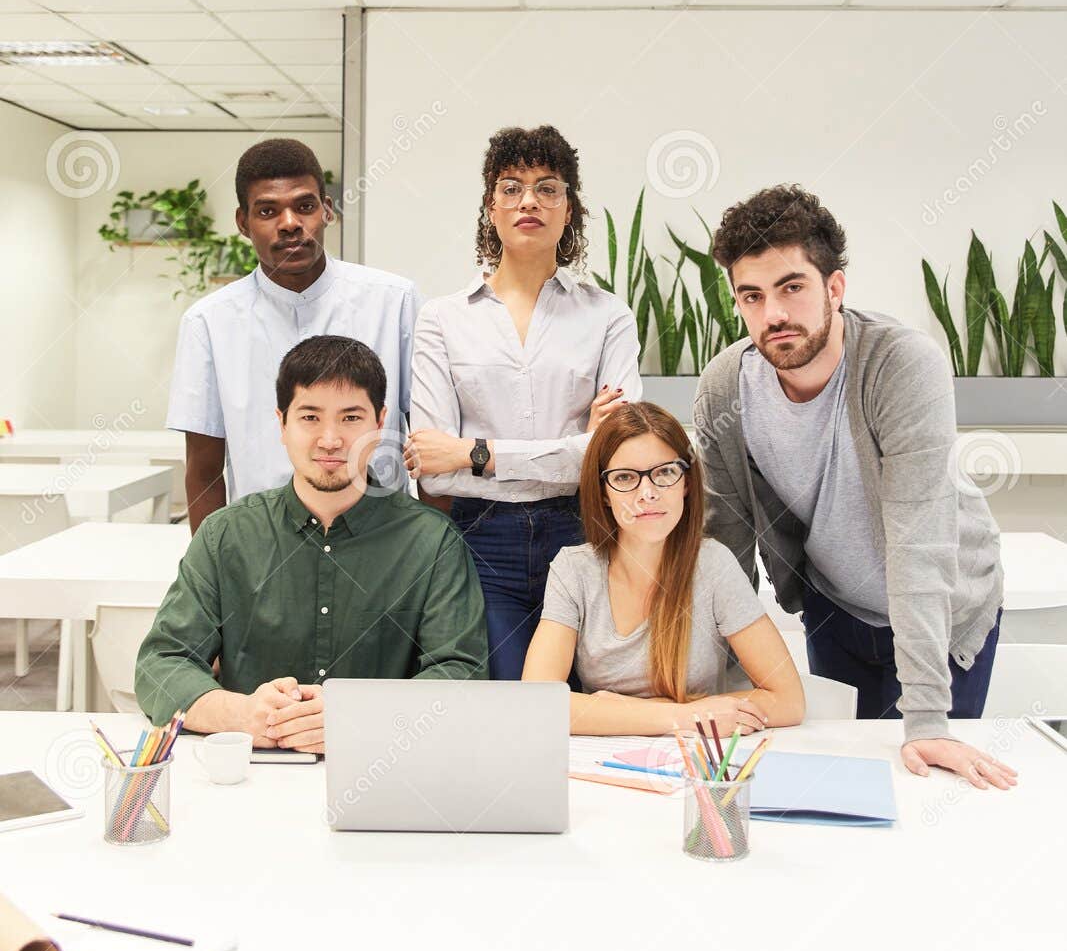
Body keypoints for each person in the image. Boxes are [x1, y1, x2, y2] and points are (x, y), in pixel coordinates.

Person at [693, 183, 1016, 791]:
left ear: (834, 288)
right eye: (752, 296)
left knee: (930, 781)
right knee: (845, 784)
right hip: (834, 608)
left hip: (942, 612)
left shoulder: (900, 365)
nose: (773, 316)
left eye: (792, 287)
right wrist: (730, 694)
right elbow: (725, 552)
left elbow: (920, 546)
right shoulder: (724, 389)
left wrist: (925, 720)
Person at [136, 336, 488, 751]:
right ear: (281, 424)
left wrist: (357, 716)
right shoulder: (224, 535)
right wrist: (241, 713)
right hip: (250, 775)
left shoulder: (433, 542)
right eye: (310, 417)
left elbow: (461, 673)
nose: (330, 439)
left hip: (383, 771)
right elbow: (161, 663)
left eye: (351, 418)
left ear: (380, 423)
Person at [404, 124, 641, 679]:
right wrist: (577, 443)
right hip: (480, 543)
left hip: (583, 534)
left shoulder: (608, 317)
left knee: (586, 707)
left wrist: (474, 453)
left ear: (569, 209)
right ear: (491, 207)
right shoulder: (443, 319)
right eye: (511, 187)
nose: (528, 200)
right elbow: (435, 474)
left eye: (547, 187)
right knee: (508, 708)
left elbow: (618, 460)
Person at [168, 137, 418, 532]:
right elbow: (203, 470)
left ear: (327, 210)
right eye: (268, 210)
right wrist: (212, 571)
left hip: (383, 539)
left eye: (305, 206)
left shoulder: (394, 301)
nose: (289, 223)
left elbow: (428, 443)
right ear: (242, 223)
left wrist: (436, 549)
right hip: (262, 544)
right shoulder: (208, 323)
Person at [523, 402, 804, 736]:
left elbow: (788, 701)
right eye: (625, 477)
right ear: (603, 494)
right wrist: (686, 716)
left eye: (665, 473)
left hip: (697, 762)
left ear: (686, 482)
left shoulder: (713, 564)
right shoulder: (573, 569)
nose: (648, 493)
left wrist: (613, 710)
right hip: (602, 764)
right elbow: (539, 703)